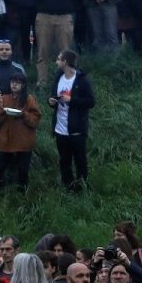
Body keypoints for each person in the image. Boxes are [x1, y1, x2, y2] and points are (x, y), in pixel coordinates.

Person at [48, 49, 95, 192]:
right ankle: (67, 186)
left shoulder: (82, 80)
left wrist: (72, 100)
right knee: (64, 160)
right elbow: (53, 96)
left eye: (58, 59)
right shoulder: (58, 77)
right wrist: (51, 102)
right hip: (60, 128)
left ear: (65, 62)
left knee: (80, 160)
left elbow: (91, 102)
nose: (56, 61)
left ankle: (82, 187)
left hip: (77, 129)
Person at [0, 71, 41, 193]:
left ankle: (23, 194)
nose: (14, 85)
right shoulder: (4, 98)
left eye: (18, 83)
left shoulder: (29, 99)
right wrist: (0, 107)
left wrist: (23, 114)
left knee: (23, 170)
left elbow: (35, 120)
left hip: (24, 140)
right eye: (12, 82)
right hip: (7, 139)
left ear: (23, 85)